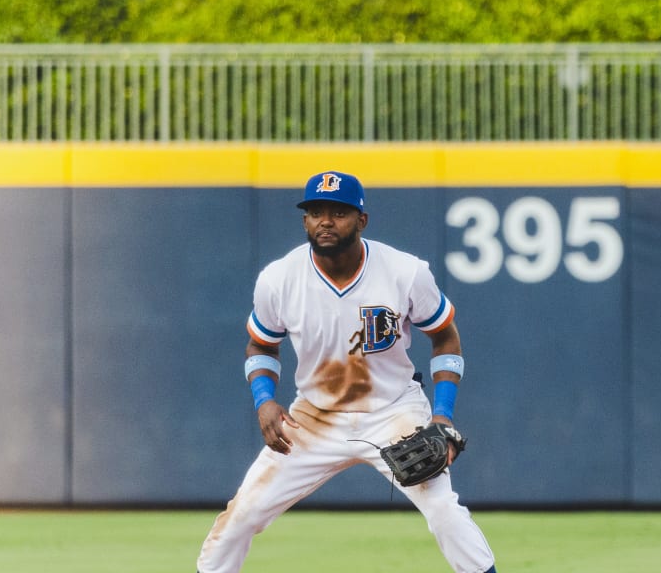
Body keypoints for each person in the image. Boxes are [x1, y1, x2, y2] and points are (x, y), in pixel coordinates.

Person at [197, 170, 497, 573]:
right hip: (314, 417)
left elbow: (445, 339)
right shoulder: (278, 279)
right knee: (241, 516)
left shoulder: (405, 272)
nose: (325, 220)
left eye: (338, 212)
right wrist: (264, 401)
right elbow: (261, 344)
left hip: (394, 411)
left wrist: (441, 416)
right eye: (315, 211)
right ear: (304, 221)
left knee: (444, 510)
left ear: (361, 220)